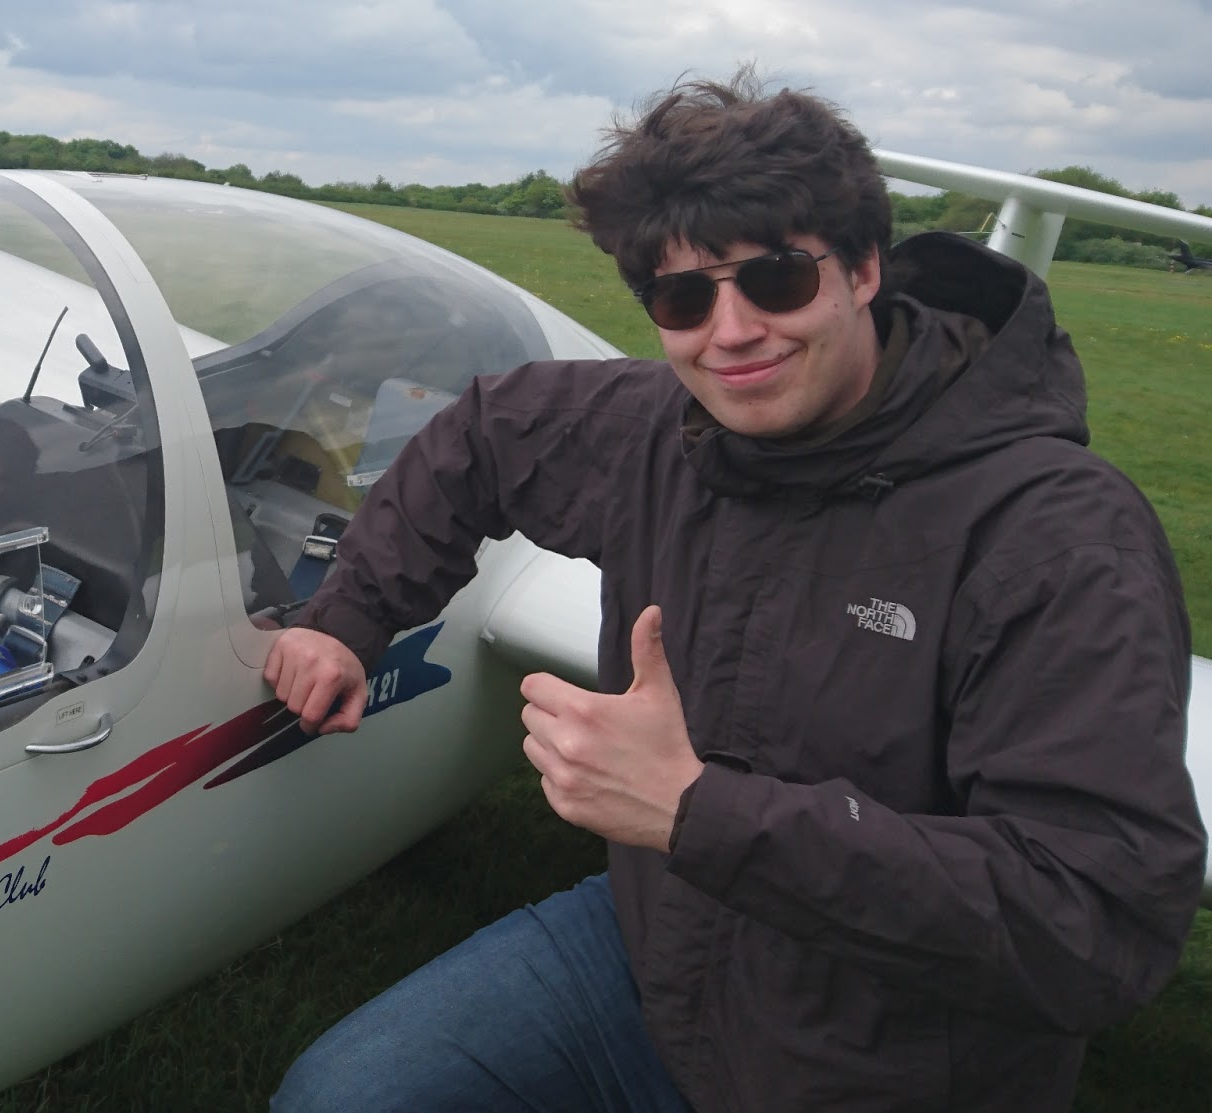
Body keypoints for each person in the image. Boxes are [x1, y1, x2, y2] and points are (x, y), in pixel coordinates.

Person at [263, 70, 1207, 1112]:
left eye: (775, 281)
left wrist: (697, 813)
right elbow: (485, 435)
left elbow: (1094, 921)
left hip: (889, 1048)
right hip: (657, 945)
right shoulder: (652, 428)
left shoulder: (1054, 536)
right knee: (343, 1095)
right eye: (681, 297)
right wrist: (351, 619)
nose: (730, 332)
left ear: (860, 269)